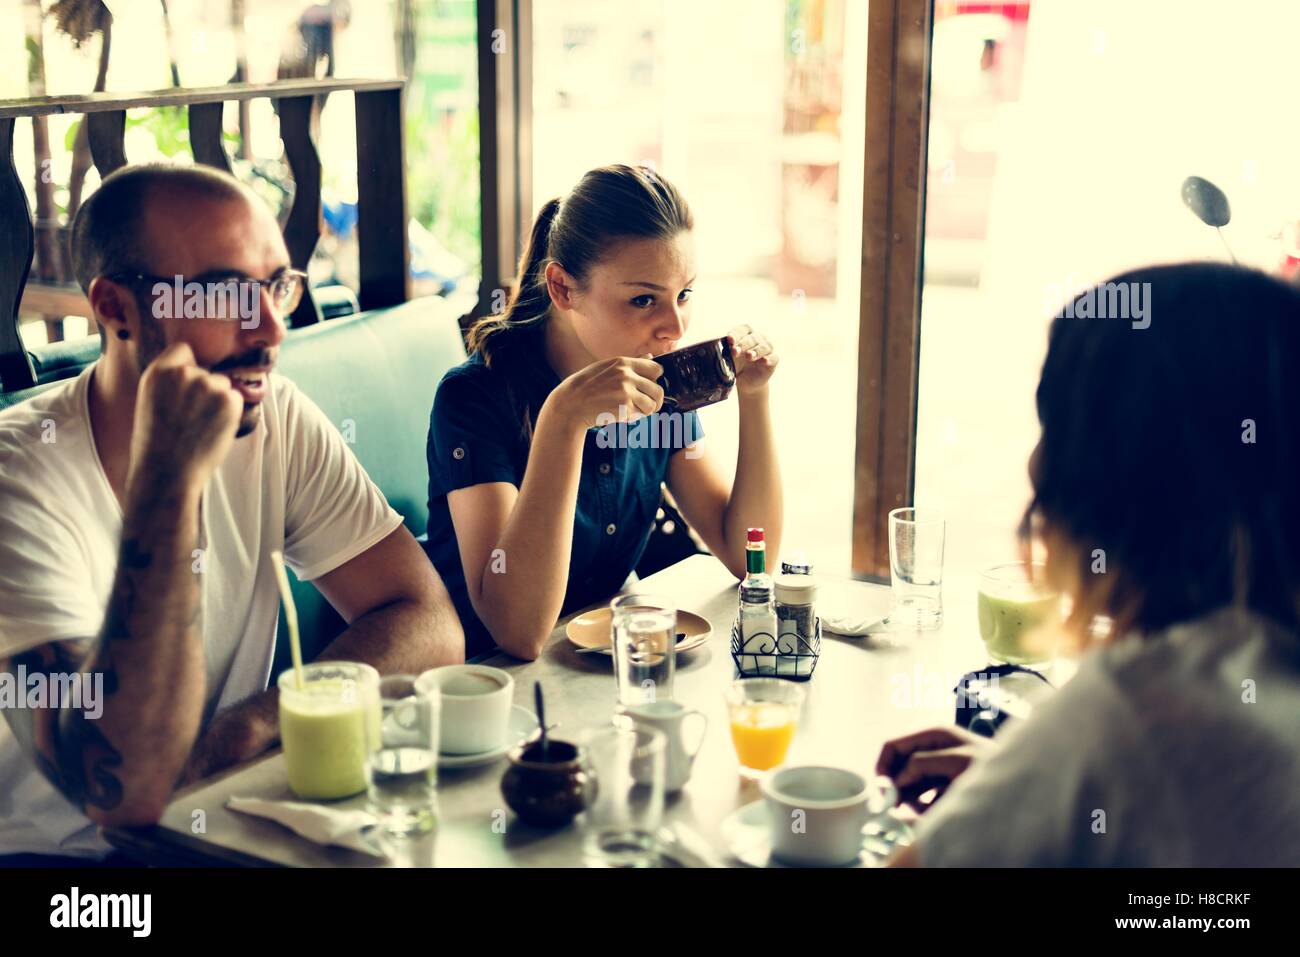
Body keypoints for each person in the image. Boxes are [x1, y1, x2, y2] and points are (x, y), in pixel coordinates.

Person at [0, 164, 463, 862]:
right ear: (116, 308)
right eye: (225, 291)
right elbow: (122, 791)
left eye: (277, 285)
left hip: (216, 828)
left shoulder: (270, 411)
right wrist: (170, 478)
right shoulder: (19, 477)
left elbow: (427, 620)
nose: (271, 327)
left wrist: (255, 721)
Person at [881, 262, 1300, 867]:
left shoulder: (1126, 713)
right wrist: (1026, 782)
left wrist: (1046, 778)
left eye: (1055, 424)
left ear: (1109, 475)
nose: (1032, 462)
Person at [424, 164, 783, 661]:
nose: (673, 327)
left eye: (684, 294)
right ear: (563, 289)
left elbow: (749, 558)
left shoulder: (660, 386)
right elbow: (518, 631)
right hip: (483, 683)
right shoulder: (474, 399)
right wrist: (563, 421)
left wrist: (756, 397)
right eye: (643, 299)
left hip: (599, 668)